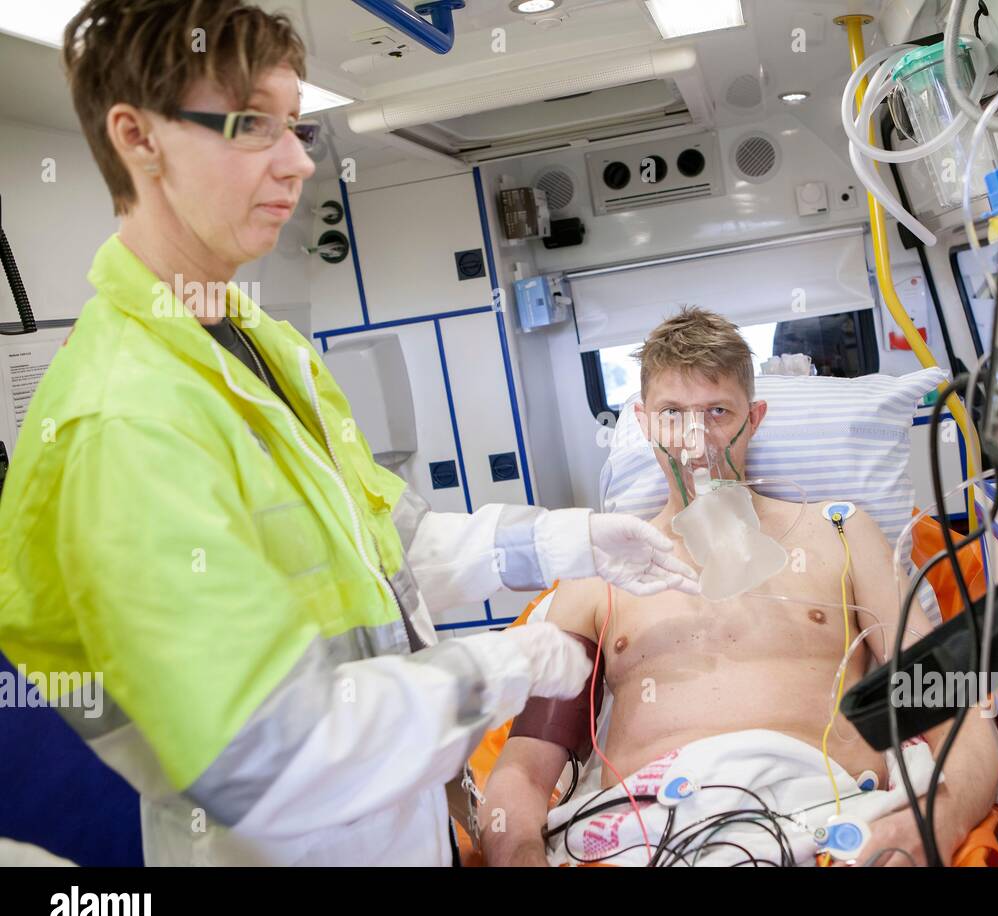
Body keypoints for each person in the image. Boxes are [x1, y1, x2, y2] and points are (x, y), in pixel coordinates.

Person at [0, 0, 696, 866]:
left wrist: (577, 538)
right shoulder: (127, 416)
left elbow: (390, 552)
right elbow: (271, 754)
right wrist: (501, 668)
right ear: (137, 137)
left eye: (298, 128)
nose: (297, 163)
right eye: (254, 125)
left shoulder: (257, 346)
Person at [481, 308, 998, 867]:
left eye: (718, 412)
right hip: (651, 839)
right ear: (643, 422)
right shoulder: (598, 571)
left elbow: (956, 708)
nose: (695, 441)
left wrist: (933, 828)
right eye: (672, 414)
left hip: (834, 826)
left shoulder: (841, 532)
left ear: (753, 419)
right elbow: (526, 767)